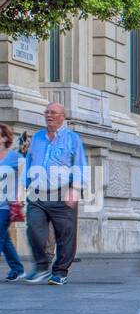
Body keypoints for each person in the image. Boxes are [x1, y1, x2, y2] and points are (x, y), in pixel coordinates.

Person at [21, 102, 89, 286]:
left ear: (62, 116)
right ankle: (42, 267)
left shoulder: (72, 139)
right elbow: (29, 162)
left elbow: (80, 164)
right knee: (34, 229)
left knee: (65, 235)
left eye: (53, 113)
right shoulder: (38, 137)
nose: (48, 115)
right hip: (37, 194)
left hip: (62, 193)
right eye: (46, 112)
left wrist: (74, 190)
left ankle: (60, 272)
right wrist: (23, 186)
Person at [0, 124, 24, 282]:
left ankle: (17, 269)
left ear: (4, 138)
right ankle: (17, 268)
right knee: (5, 239)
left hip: (6, 206)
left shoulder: (15, 157)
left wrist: (20, 197)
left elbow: (24, 178)